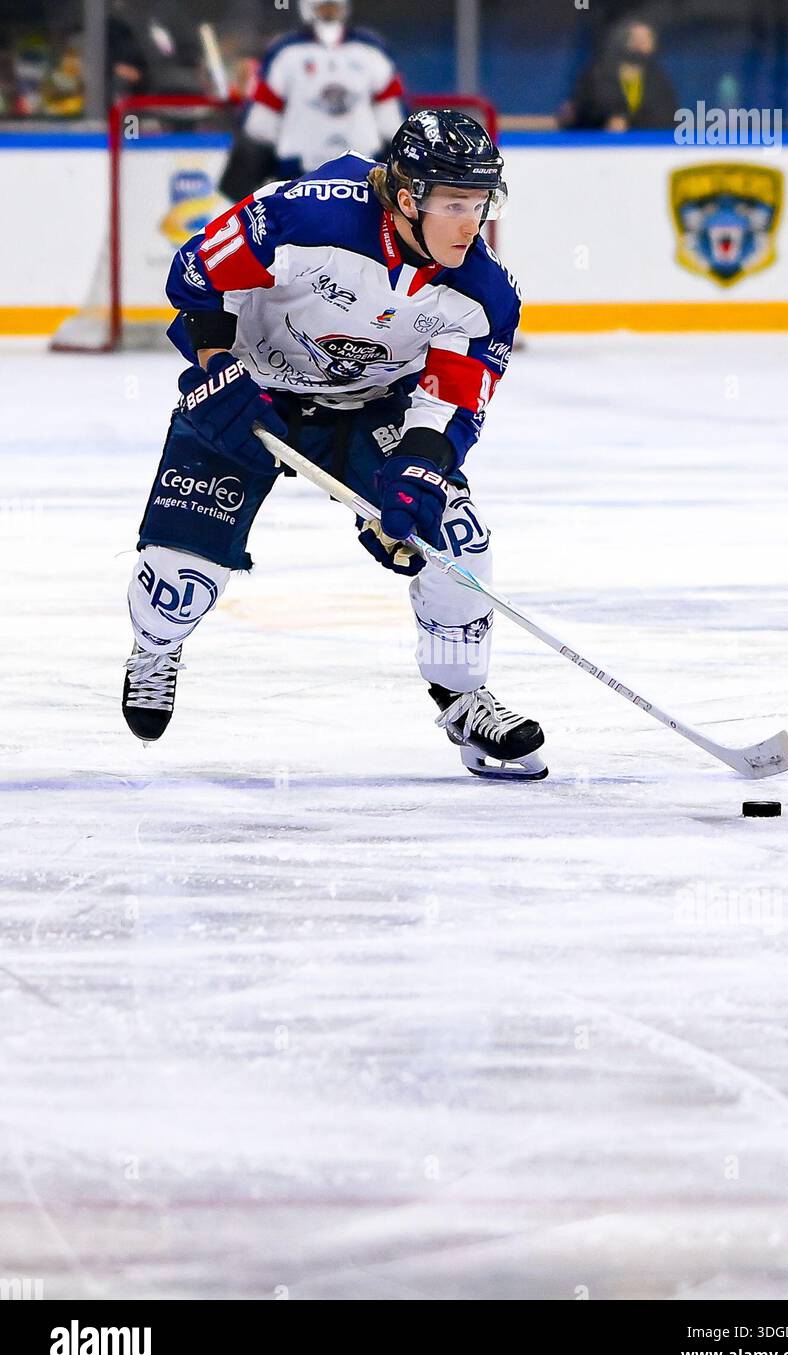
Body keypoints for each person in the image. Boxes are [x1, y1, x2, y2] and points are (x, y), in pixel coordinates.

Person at [121, 109, 547, 781]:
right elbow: (198, 274)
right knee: (182, 577)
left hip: (372, 405)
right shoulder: (308, 217)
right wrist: (215, 366)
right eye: (455, 204)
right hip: (249, 388)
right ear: (408, 199)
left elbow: (451, 400)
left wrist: (420, 469)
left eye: (480, 203)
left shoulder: (484, 293)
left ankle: (462, 699)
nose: (474, 223)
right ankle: (154, 647)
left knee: (453, 536)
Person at [219, 0, 405, 204]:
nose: (329, 13)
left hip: (364, 171)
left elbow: (391, 121)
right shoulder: (287, 52)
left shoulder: (370, 51)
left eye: (333, 8)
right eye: (323, 8)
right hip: (298, 171)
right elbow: (261, 124)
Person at [559, 16, 677, 132]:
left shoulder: (659, 80)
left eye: (646, 39)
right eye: (635, 38)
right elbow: (581, 109)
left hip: (647, 145)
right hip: (599, 143)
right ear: (624, 40)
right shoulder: (598, 74)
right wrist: (609, 119)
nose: (640, 44)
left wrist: (629, 122)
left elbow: (666, 116)